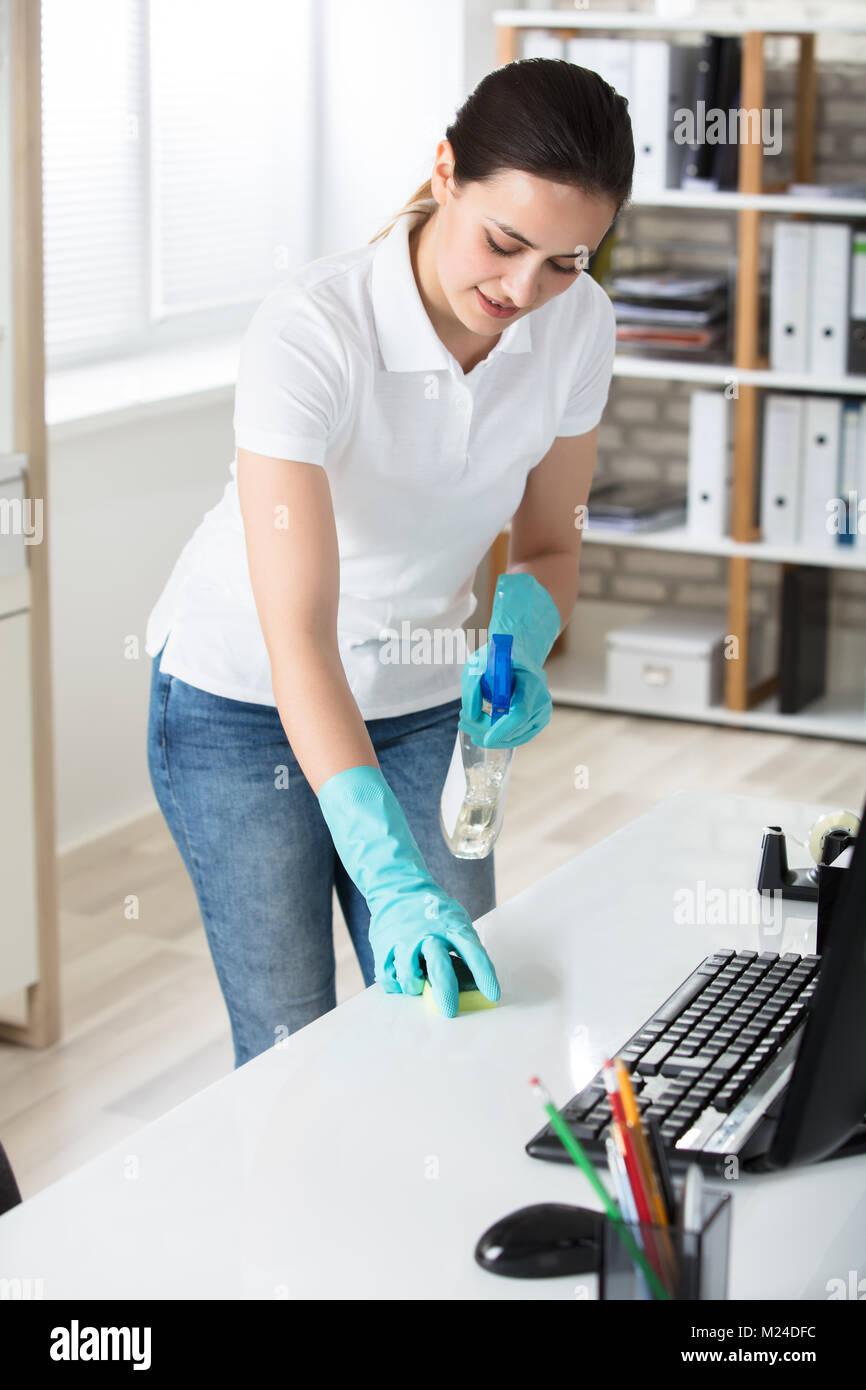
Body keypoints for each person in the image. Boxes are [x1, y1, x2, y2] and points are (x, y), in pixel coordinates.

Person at [145, 57, 634, 1068]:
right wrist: (391, 878)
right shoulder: (313, 328)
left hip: (418, 697)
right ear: (444, 171)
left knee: (452, 1014)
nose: (522, 289)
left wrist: (521, 638)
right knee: (292, 1037)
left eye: (565, 261)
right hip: (240, 699)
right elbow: (298, 637)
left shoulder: (575, 327)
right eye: (504, 243)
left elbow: (546, 543)